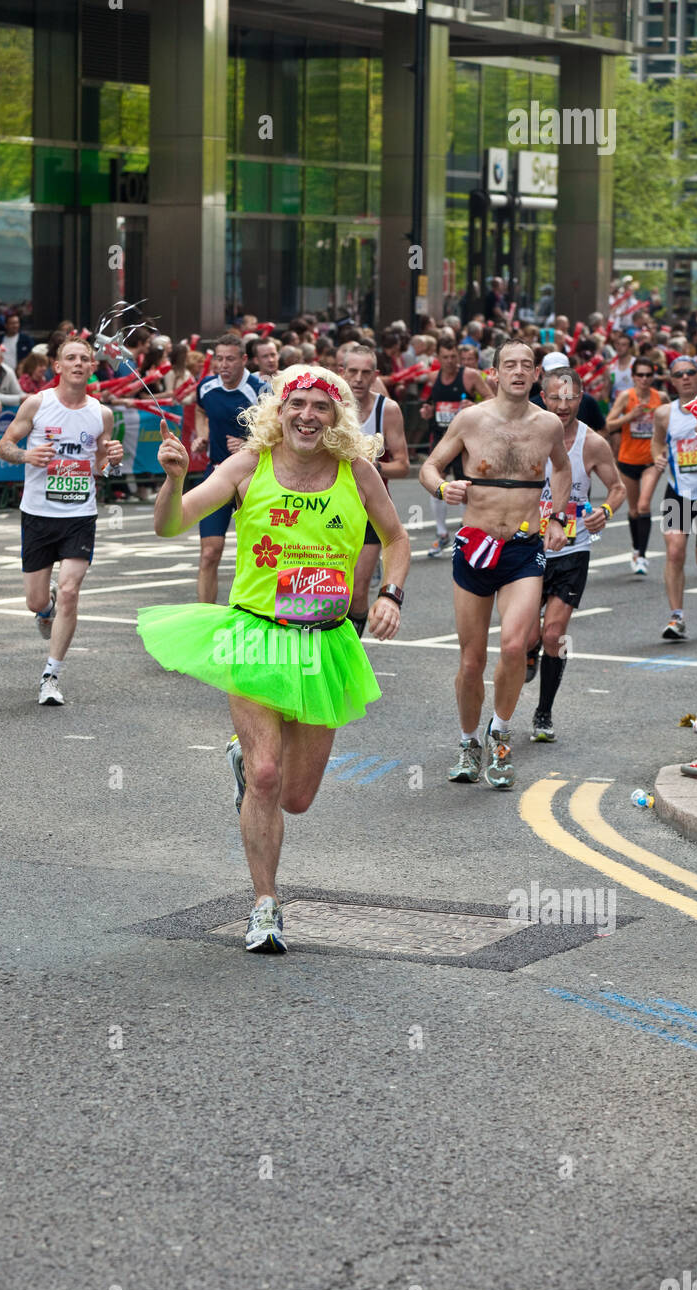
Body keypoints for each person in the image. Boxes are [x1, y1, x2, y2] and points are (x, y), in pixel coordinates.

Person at [138, 366, 410, 954]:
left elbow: (396, 539)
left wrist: (391, 593)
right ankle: (265, 905)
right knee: (265, 776)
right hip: (256, 635)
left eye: (320, 406)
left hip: (324, 642)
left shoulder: (356, 473)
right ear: (278, 412)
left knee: (297, 796)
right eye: (297, 405)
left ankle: (247, 762)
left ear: (336, 416)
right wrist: (176, 478)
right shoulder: (248, 466)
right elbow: (171, 524)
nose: (308, 415)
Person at [418, 340, 572, 790]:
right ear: (495, 372)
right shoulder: (472, 419)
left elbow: (560, 470)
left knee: (513, 648)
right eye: (510, 365)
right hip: (475, 545)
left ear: (537, 374)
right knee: (471, 661)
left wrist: (558, 516)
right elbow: (431, 466)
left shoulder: (547, 425)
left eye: (527, 365)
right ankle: (469, 742)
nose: (519, 372)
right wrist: (439, 489)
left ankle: (500, 734)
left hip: (523, 549)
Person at [0, 338, 123, 705]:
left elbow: (103, 465)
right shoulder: (37, 404)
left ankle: (51, 676)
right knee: (36, 601)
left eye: (85, 358)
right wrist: (26, 455)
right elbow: (4, 445)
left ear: (92, 367)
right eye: (71, 358)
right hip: (37, 513)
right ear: (58, 366)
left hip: (79, 515)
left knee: (70, 590)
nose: (78, 363)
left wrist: (112, 459)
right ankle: (45, 608)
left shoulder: (102, 414)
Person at [525, 368, 626, 739]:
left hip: (572, 548)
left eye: (570, 398)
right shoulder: (528, 434)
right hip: (527, 548)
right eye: (555, 397)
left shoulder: (593, 443)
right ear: (543, 397)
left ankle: (543, 713)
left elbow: (616, 487)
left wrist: (606, 511)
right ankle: (528, 651)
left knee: (554, 634)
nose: (563, 405)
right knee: (527, 637)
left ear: (580, 399)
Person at [339, 343, 410, 633]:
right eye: (352, 371)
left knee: (356, 594)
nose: (357, 378)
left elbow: (404, 465)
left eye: (365, 372)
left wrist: (371, 468)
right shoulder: (327, 406)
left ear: (375, 375)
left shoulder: (387, 409)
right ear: (341, 373)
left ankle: (350, 653)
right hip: (330, 506)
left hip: (370, 507)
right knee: (327, 590)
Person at [194, 334, 269, 604]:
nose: (223, 365)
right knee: (209, 553)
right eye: (219, 359)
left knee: (258, 552)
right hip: (216, 474)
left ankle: (255, 610)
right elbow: (201, 412)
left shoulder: (260, 390)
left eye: (230, 359)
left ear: (244, 360)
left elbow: (277, 436)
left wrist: (248, 444)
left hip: (253, 477)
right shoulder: (206, 387)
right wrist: (202, 436)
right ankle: (204, 620)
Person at [419, 336, 493, 557]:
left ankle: (465, 531)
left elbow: (493, 400)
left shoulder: (469, 376)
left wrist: (474, 405)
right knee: (435, 480)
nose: (450, 361)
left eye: (454, 357)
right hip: (441, 436)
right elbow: (428, 403)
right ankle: (442, 534)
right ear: (438, 358)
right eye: (445, 357)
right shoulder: (433, 377)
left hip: (464, 440)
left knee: (464, 486)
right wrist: (427, 411)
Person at [650, 356, 697, 640]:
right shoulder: (664, 414)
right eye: (679, 374)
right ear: (672, 381)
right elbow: (657, 439)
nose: (685, 378)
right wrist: (658, 456)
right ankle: (676, 617)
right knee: (674, 552)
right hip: (680, 492)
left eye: (691, 372)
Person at [606, 357, 668, 576]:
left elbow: (671, 423)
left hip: (652, 459)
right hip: (627, 459)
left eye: (648, 375)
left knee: (644, 506)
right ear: (633, 377)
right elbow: (608, 424)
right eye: (640, 375)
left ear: (653, 377)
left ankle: (642, 556)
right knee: (633, 510)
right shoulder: (626, 397)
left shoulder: (660, 397)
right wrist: (630, 416)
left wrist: (666, 448)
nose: (644, 379)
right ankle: (635, 549)